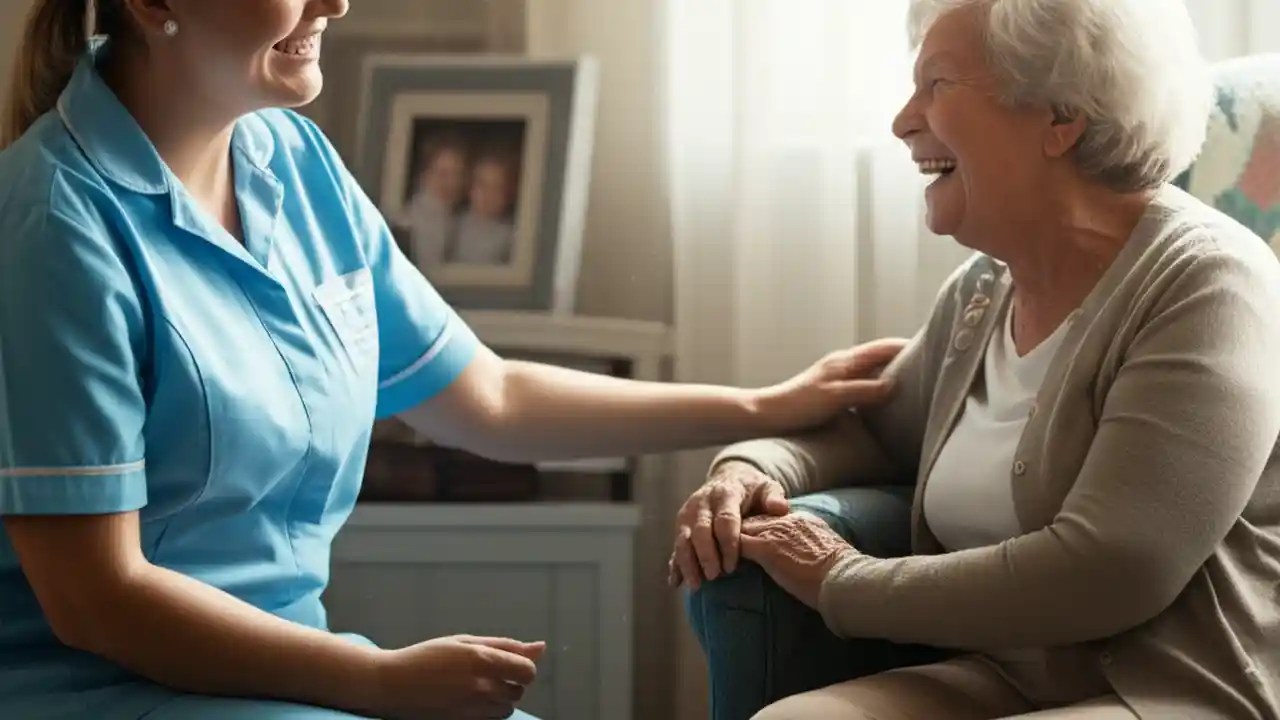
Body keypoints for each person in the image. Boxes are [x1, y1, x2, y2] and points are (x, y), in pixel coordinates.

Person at [0, 1, 908, 719]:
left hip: (287, 681)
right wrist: (379, 680)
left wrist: (763, 407)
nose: (336, 3)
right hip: (107, 693)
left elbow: (490, 398)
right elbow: (99, 601)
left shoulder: (292, 160)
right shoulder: (53, 227)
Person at [671, 0, 1280, 718]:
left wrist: (841, 578)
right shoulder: (984, 290)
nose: (902, 120)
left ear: (1061, 114)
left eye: (938, 85)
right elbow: (872, 434)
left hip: (1170, 688)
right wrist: (747, 472)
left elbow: (1113, 569)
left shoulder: (1207, 282)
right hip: (1007, 677)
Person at [398, 131, 469, 269]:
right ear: (425, 175)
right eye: (443, 174)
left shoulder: (459, 219)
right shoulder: (409, 222)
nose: (451, 182)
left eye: (457, 174)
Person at [448, 150, 518, 266]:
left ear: (507, 194)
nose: (488, 194)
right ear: (470, 188)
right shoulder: (452, 226)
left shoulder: (510, 236)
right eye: (482, 185)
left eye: (497, 187)